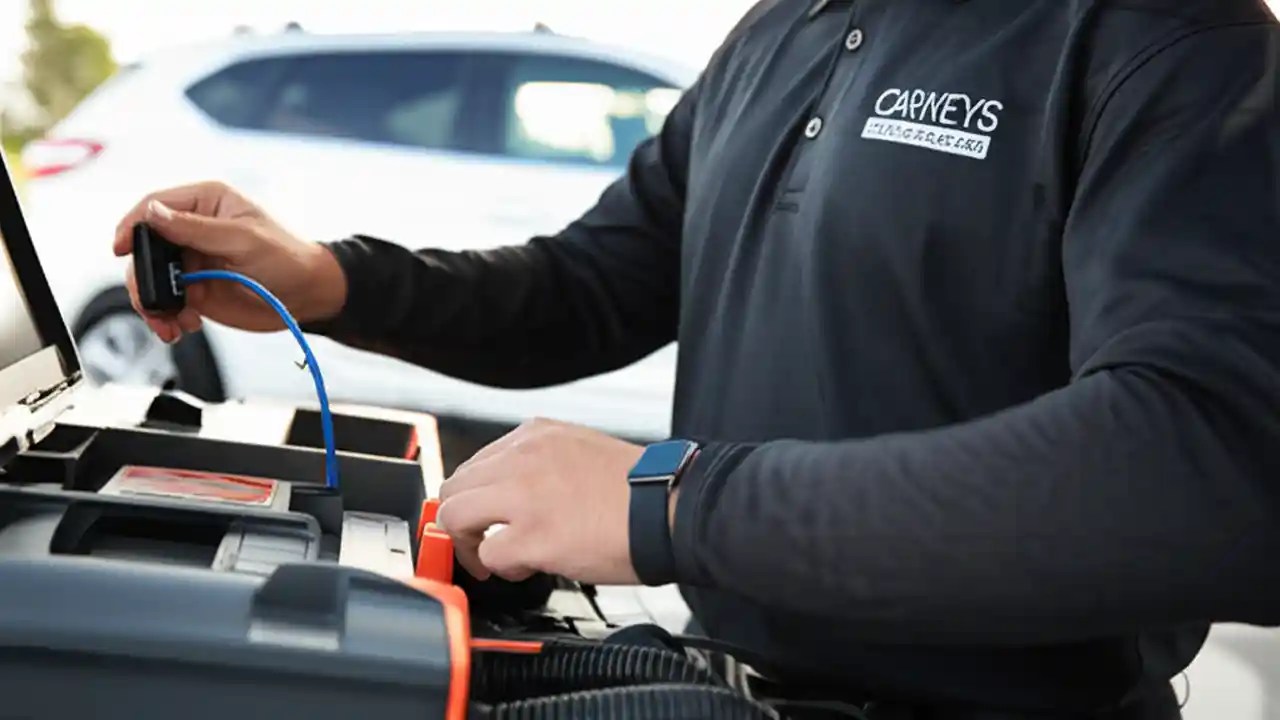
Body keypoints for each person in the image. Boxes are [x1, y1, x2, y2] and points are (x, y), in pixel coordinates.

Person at [114, 1, 1280, 717]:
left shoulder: (1165, 38)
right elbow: (588, 289)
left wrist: (671, 501)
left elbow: (1214, 472)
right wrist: (328, 279)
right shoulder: (779, 33)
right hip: (714, 678)